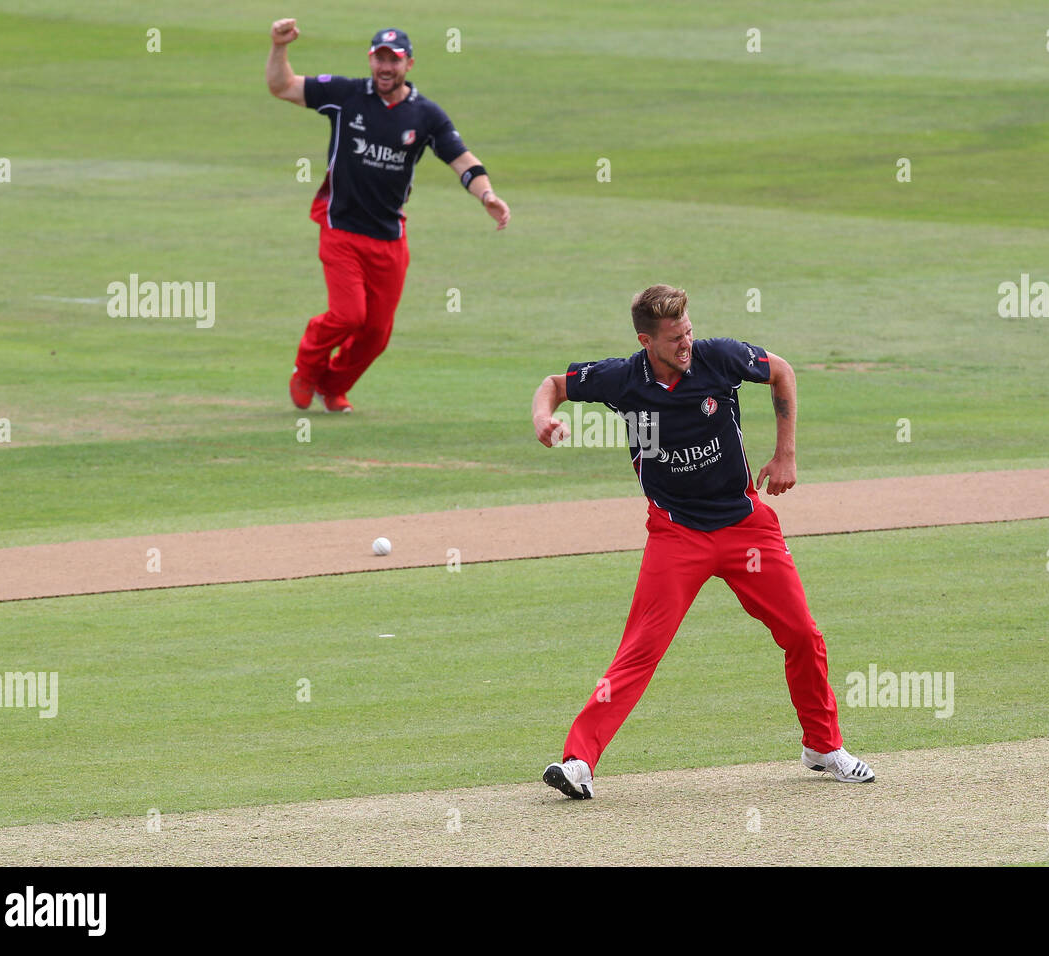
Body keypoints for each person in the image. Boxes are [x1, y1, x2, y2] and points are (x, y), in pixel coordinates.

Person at [530, 285, 875, 799]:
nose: (686, 342)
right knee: (640, 650)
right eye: (674, 338)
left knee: (802, 633)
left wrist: (786, 455)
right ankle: (578, 761)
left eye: (688, 330)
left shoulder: (719, 357)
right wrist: (543, 419)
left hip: (745, 526)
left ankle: (823, 747)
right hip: (676, 534)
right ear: (646, 340)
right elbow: (553, 385)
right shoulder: (623, 378)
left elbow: (782, 371)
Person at [267, 19, 510, 413]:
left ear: (408, 64)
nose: (385, 67)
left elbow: (461, 158)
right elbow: (282, 86)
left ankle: (332, 386)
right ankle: (306, 369)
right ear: (370, 60)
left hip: (389, 238)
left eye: (393, 61)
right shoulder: (346, 95)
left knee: (376, 334)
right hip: (340, 227)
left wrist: (487, 195)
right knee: (349, 315)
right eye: (379, 58)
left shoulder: (425, 115)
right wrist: (279, 46)